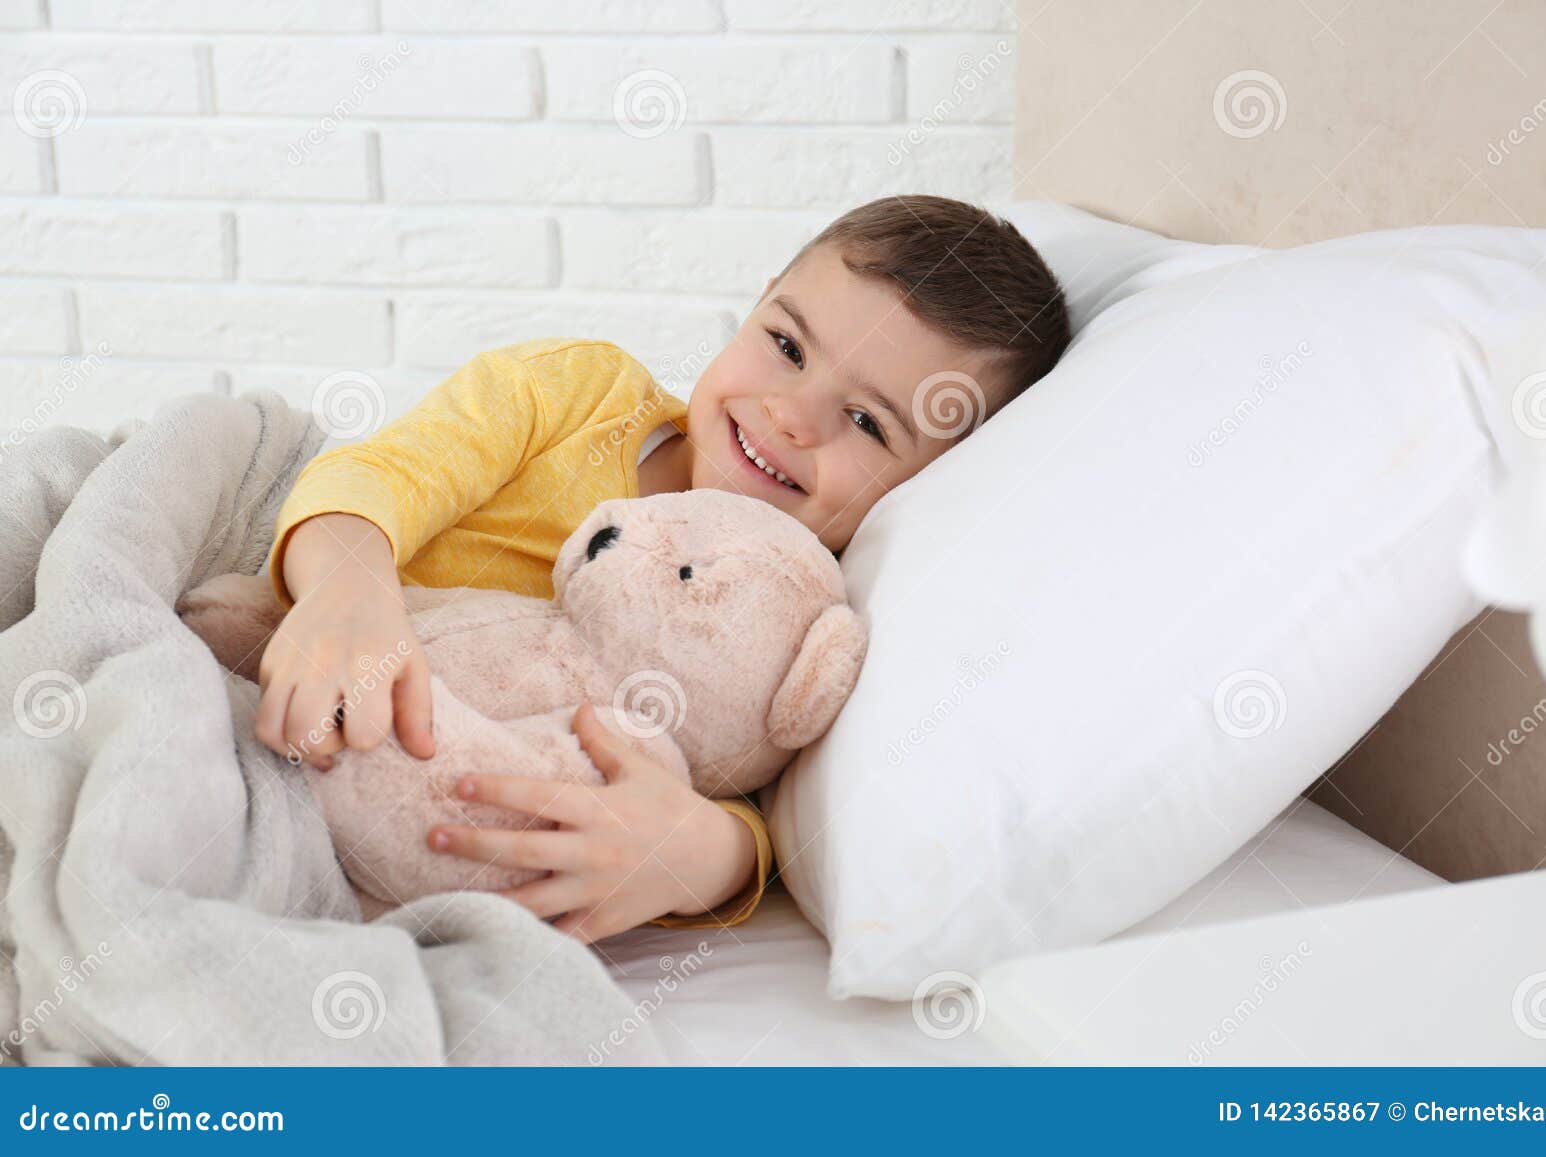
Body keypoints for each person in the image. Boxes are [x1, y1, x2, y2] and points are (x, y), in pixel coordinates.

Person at [254, 194, 1069, 942]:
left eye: (865, 420)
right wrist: (349, 586)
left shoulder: (803, 616)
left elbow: (770, 802)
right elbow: (379, 474)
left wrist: (701, 849)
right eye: (785, 345)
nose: (789, 415)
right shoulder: (583, 396)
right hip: (289, 688)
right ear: (756, 303)